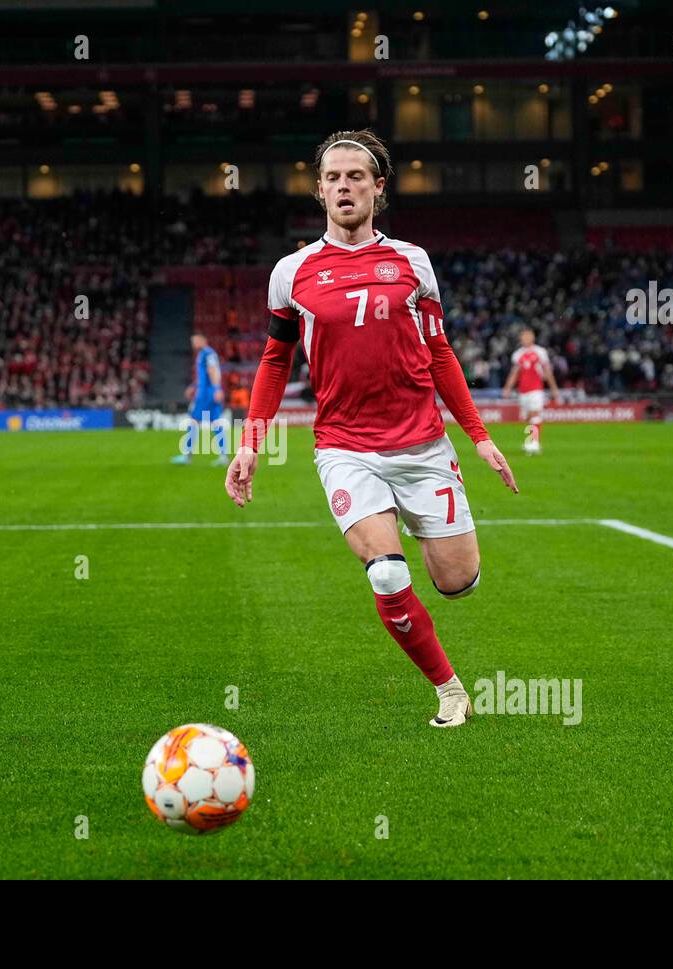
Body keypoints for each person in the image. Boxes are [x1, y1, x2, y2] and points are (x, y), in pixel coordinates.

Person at [224, 130, 517, 729]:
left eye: (356, 176)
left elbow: (439, 353)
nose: (344, 187)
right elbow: (275, 361)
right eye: (332, 178)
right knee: (386, 573)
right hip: (345, 449)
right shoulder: (293, 272)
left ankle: (416, 528)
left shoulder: (413, 262)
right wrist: (251, 443)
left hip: (424, 447)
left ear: (378, 188)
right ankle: (449, 689)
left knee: (457, 583)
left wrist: (479, 435)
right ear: (320, 191)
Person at [172, 332, 228, 467]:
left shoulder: (207, 353)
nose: (193, 344)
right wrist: (193, 386)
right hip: (207, 392)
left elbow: (212, 371)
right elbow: (204, 375)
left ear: (203, 340)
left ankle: (187, 456)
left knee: (193, 421)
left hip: (205, 395)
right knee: (216, 422)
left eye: (195, 341)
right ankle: (223, 456)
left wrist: (216, 389)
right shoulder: (204, 354)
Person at [502, 328, 560, 454]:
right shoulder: (517, 354)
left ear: (533, 337)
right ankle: (530, 441)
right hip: (523, 390)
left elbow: (547, 371)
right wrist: (507, 387)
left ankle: (534, 443)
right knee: (528, 417)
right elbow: (515, 373)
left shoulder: (540, 352)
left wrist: (554, 388)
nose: (526, 338)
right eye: (524, 336)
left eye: (528, 336)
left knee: (535, 414)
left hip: (536, 389)